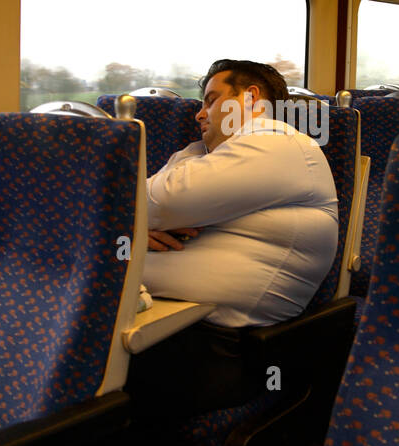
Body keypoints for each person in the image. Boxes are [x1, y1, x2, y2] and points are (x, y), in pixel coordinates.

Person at [140, 59, 338, 329]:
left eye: (211, 101)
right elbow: (142, 204)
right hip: (170, 314)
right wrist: (138, 229)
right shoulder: (200, 153)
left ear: (250, 97)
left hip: (225, 330)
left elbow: (157, 203)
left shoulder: (278, 143)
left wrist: (136, 224)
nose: (200, 115)